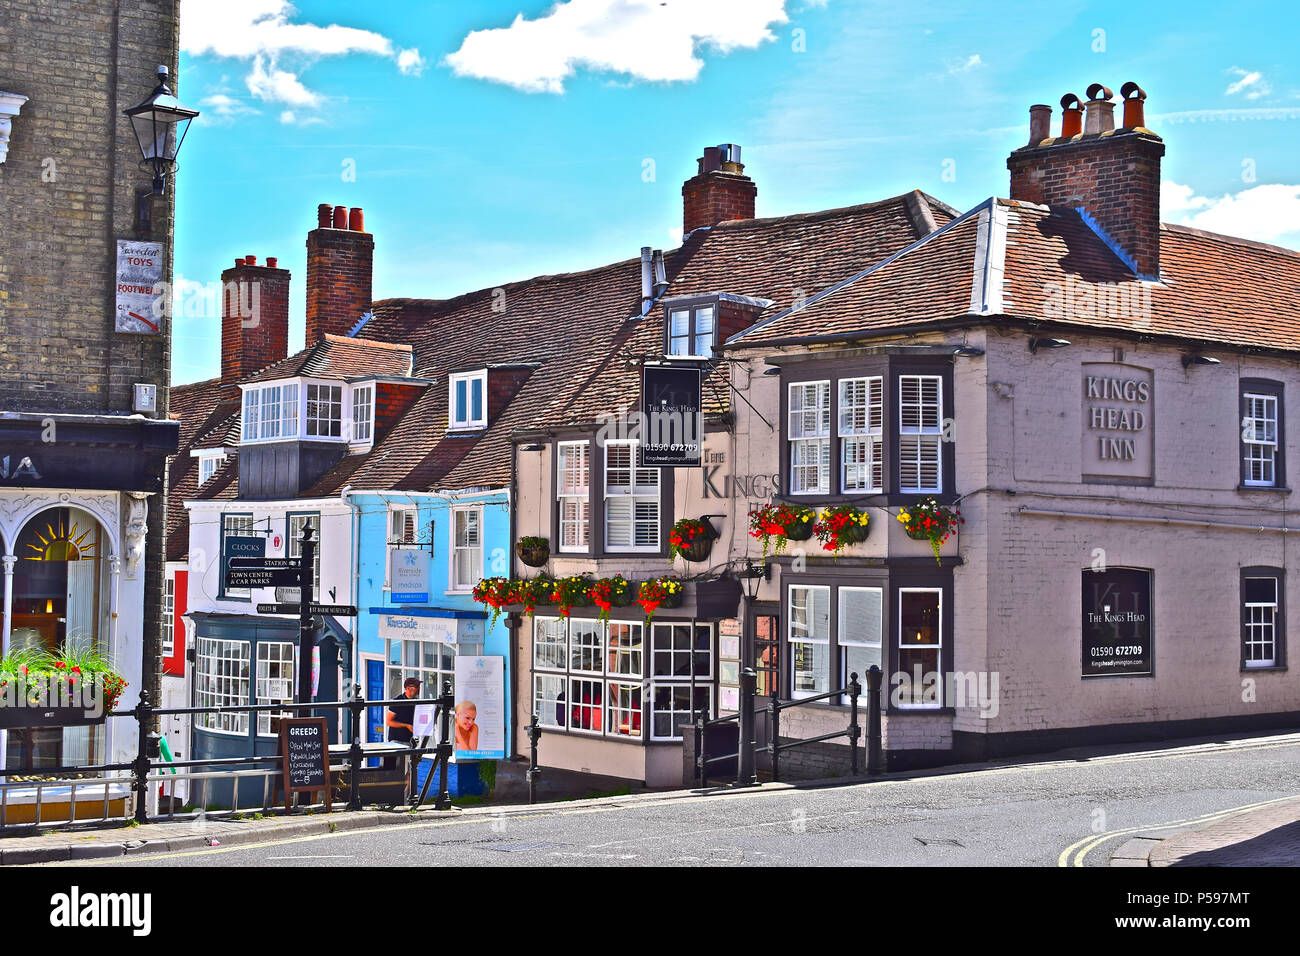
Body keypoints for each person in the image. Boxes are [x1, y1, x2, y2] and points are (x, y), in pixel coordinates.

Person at [383, 677, 420, 770]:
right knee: (393, 769)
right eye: (417, 687)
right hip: (396, 740)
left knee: (408, 770)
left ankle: (408, 785)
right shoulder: (397, 701)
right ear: (408, 688)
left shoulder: (416, 701)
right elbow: (389, 721)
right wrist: (406, 725)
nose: (418, 689)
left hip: (410, 741)